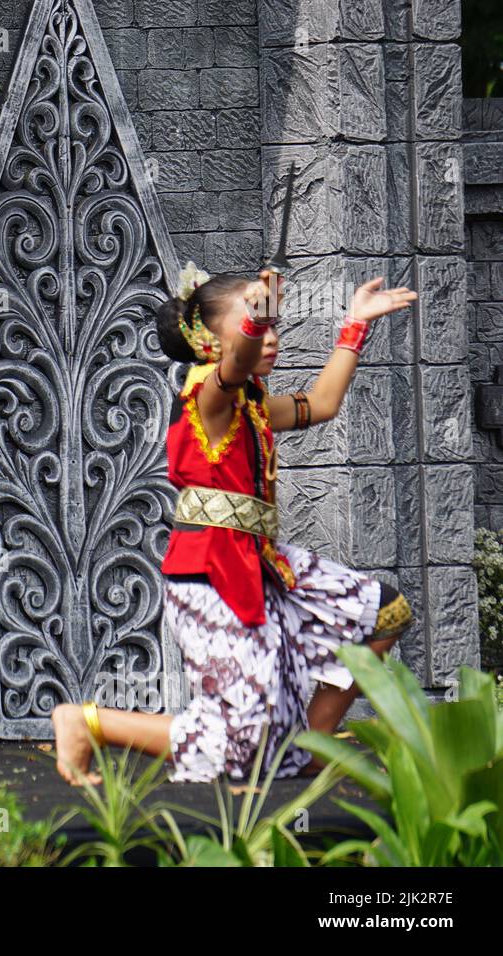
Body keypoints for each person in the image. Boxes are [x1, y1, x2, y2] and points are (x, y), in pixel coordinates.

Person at [53, 261, 418, 786]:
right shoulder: (209, 398)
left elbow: (321, 403)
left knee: (382, 611)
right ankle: (90, 722)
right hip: (208, 576)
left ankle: (311, 743)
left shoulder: (253, 405)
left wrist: (355, 324)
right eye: (256, 325)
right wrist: (255, 322)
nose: (269, 338)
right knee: (243, 746)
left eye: (274, 327)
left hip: (258, 562)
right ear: (209, 341)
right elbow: (238, 362)